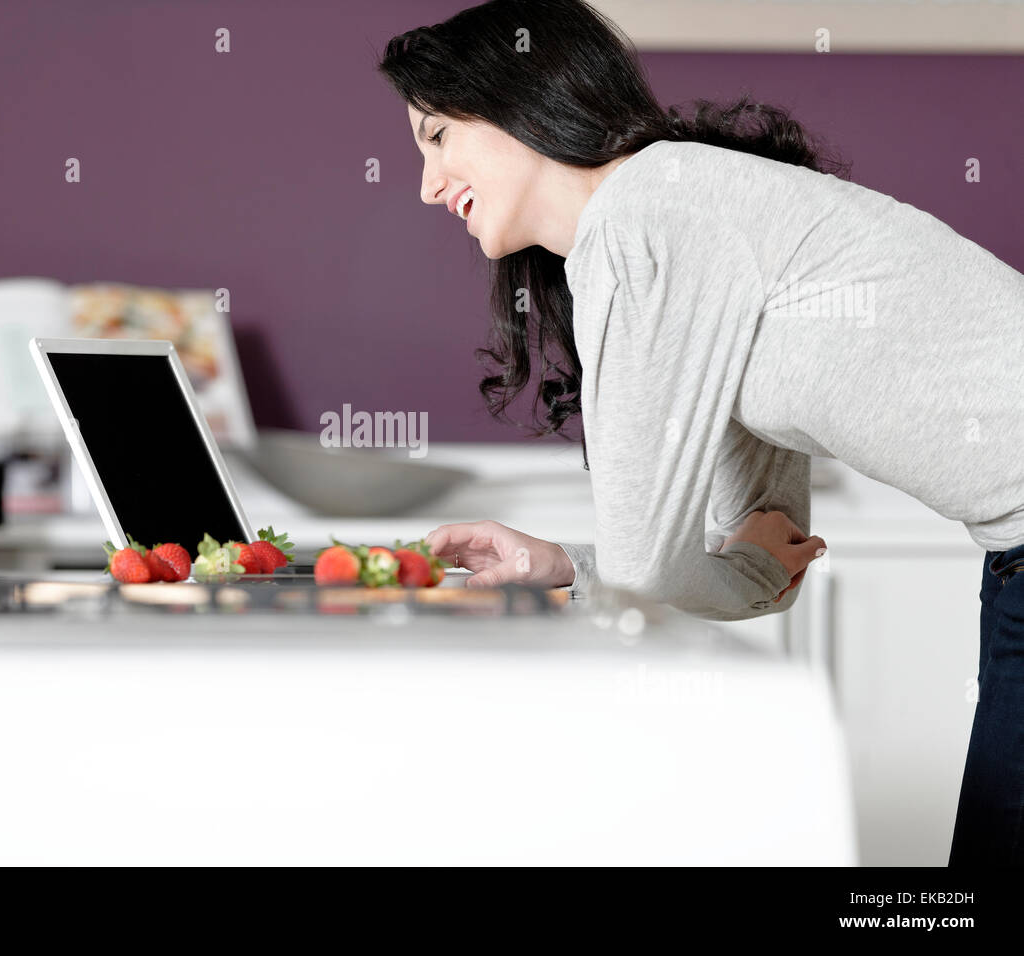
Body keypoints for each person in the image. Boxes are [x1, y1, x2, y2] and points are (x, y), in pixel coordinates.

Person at [378, 0, 1024, 865]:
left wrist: (605, 566)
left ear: (513, 99)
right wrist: (581, 566)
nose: (424, 184)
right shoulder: (675, 220)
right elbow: (765, 564)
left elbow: (670, 565)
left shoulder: (649, 210)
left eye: (434, 136)